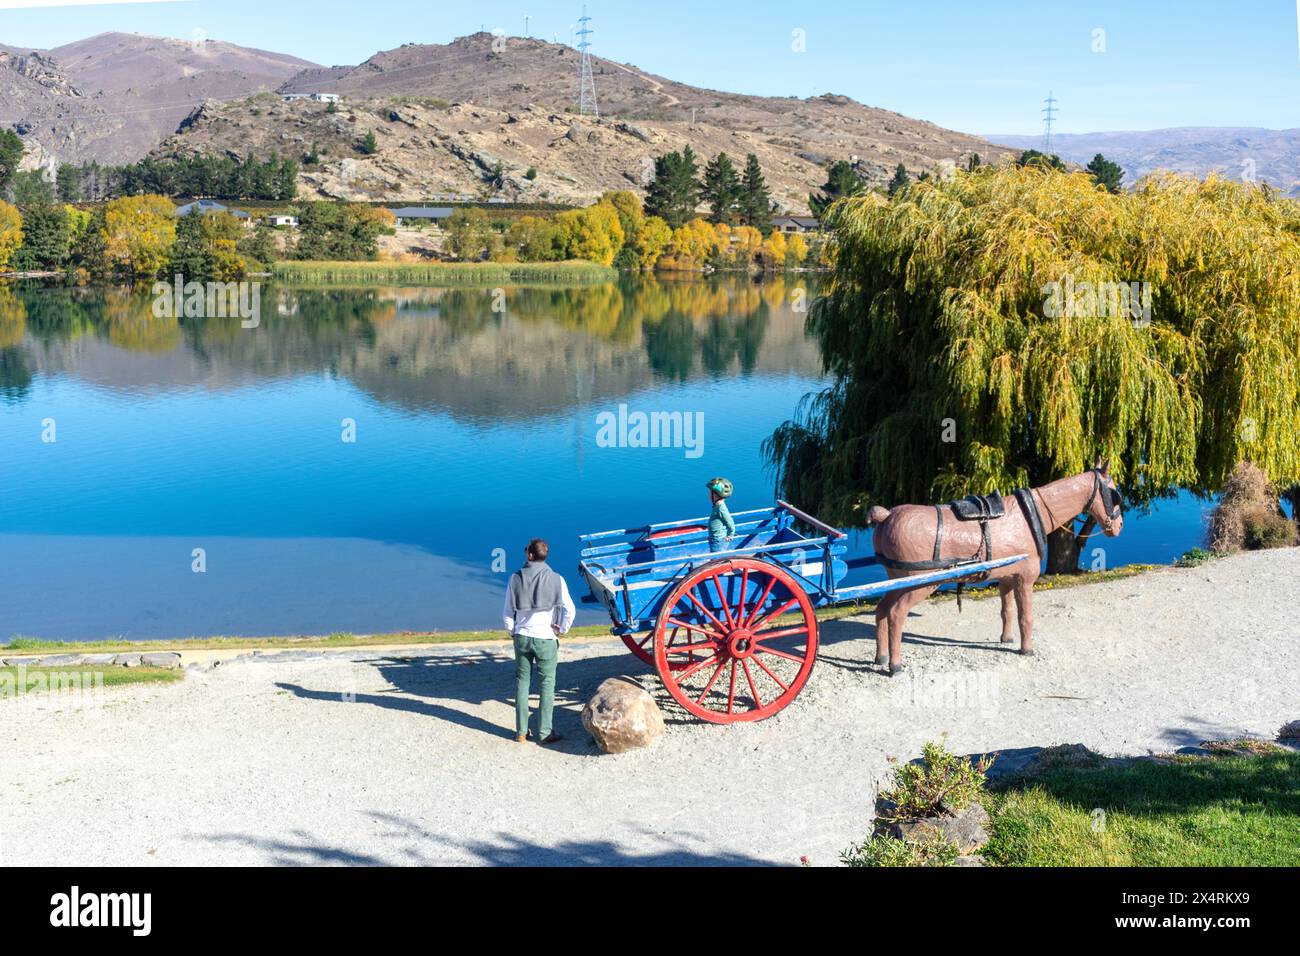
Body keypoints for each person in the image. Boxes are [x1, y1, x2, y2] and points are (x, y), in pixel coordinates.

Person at [502, 537, 575, 745]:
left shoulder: (514, 578)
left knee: (522, 683)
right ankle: (544, 732)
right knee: (547, 685)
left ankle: (521, 732)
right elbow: (570, 609)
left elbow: (507, 612)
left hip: (523, 636)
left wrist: (513, 631)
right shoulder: (557, 579)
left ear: (529, 555)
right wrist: (562, 629)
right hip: (546, 638)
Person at [706, 477, 737, 553]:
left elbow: (730, 522)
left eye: (710, 492)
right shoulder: (717, 506)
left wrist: (731, 534)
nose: (709, 494)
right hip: (714, 539)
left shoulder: (721, 508)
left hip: (718, 541)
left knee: (716, 561)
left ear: (716, 495)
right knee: (715, 559)